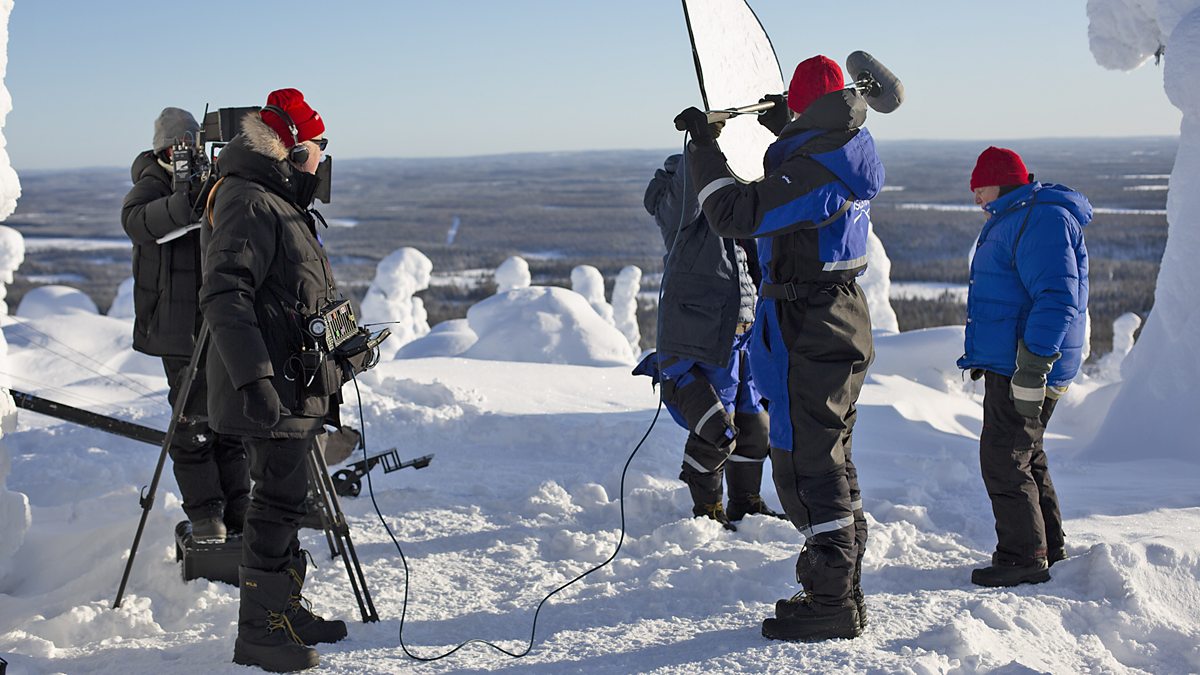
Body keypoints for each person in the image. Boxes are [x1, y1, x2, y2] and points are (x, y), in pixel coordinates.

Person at [673, 54, 882, 641]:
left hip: (810, 326)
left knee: (806, 464)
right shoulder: (841, 151)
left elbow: (734, 212)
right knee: (831, 456)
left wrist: (703, 147)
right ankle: (840, 587)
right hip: (833, 321)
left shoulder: (820, 169)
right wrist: (779, 126)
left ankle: (832, 600)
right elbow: (796, 179)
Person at [200, 88, 348, 672]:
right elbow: (224, 294)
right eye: (317, 148)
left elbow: (288, 296)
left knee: (286, 501)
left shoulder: (275, 200)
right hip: (272, 388)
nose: (322, 160)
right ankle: (259, 631)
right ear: (288, 150)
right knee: (276, 502)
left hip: (293, 381)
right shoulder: (248, 201)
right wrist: (255, 380)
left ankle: (283, 608)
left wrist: (341, 347)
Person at [958, 146, 1090, 587]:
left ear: (1002, 182)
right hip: (1017, 360)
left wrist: (1033, 363)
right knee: (1024, 452)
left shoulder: (1040, 220)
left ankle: (1022, 557)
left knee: (1004, 457)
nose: (975, 195)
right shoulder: (1019, 216)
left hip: (1026, 364)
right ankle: (1047, 546)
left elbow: (1058, 296)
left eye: (980, 186)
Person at [121, 107, 250, 544]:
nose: (183, 154)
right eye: (176, 148)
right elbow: (137, 223)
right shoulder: (150, 182)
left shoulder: (212, 178)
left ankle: (241, 508)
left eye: (189, 148)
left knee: (229, 419)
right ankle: (206, 514)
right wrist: (184, 199)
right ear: (161, 149)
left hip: (216, 317)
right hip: (177, 325)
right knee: (192, 420)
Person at [639, 151, 783, 530]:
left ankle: (746, 503)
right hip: (701, 338)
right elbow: (687, 198)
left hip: (744, 334)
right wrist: (700, 147)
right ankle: (707, 510)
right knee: (718, 429)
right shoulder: (678, 207)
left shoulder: (729, 205)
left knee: (755, 428)